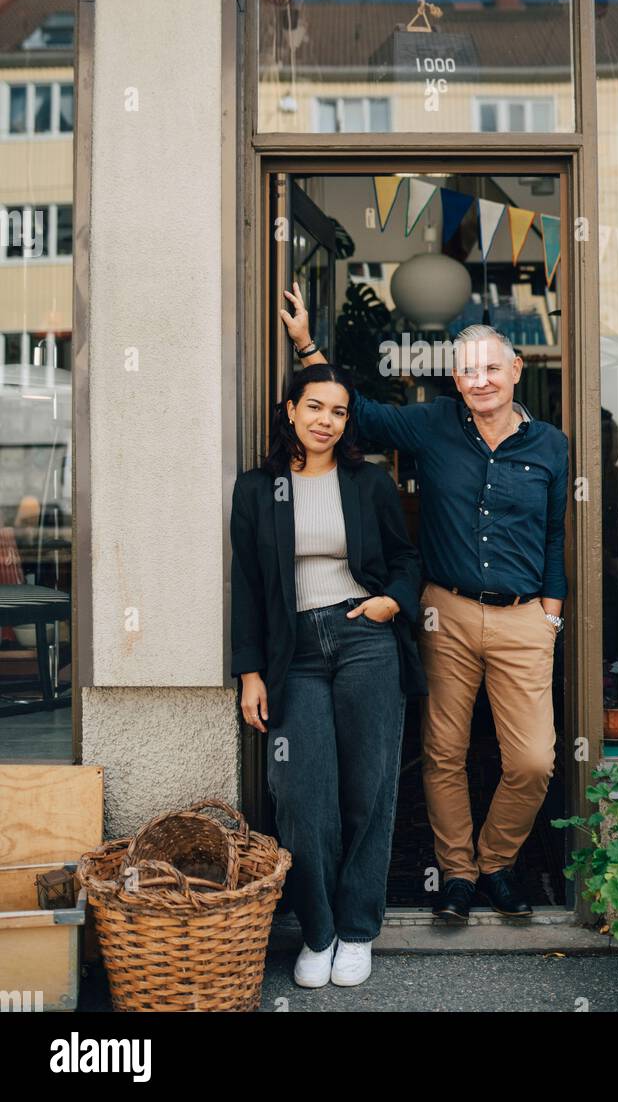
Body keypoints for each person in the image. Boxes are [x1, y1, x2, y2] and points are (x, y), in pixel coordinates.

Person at [281, 282, 569, 924]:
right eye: (468, 370)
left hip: (525, 617)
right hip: (448, 611)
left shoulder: (550, 444)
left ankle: (497, 862)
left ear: (515, 370)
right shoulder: (436, 423)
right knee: (443, 751)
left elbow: (554, 535)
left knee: (533, 760)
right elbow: (361, 411)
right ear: (456, 379)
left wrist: (552, 612)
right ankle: (459, 875)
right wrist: (306, 347)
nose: (480, 379)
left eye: (492, 367)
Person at [230, 364, 425, 988]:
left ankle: (358, 928)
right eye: (314, 407)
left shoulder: (368, 482)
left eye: (338, 412)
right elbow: (249, 589)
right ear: (289, 409)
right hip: (296, 655)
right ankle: (318, 929)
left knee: (370, 788)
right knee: (300, 794)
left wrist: (391, 601)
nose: (325, 421)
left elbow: (405, 557)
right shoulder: (258, 489)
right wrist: (250, 673)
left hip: (364, 637)